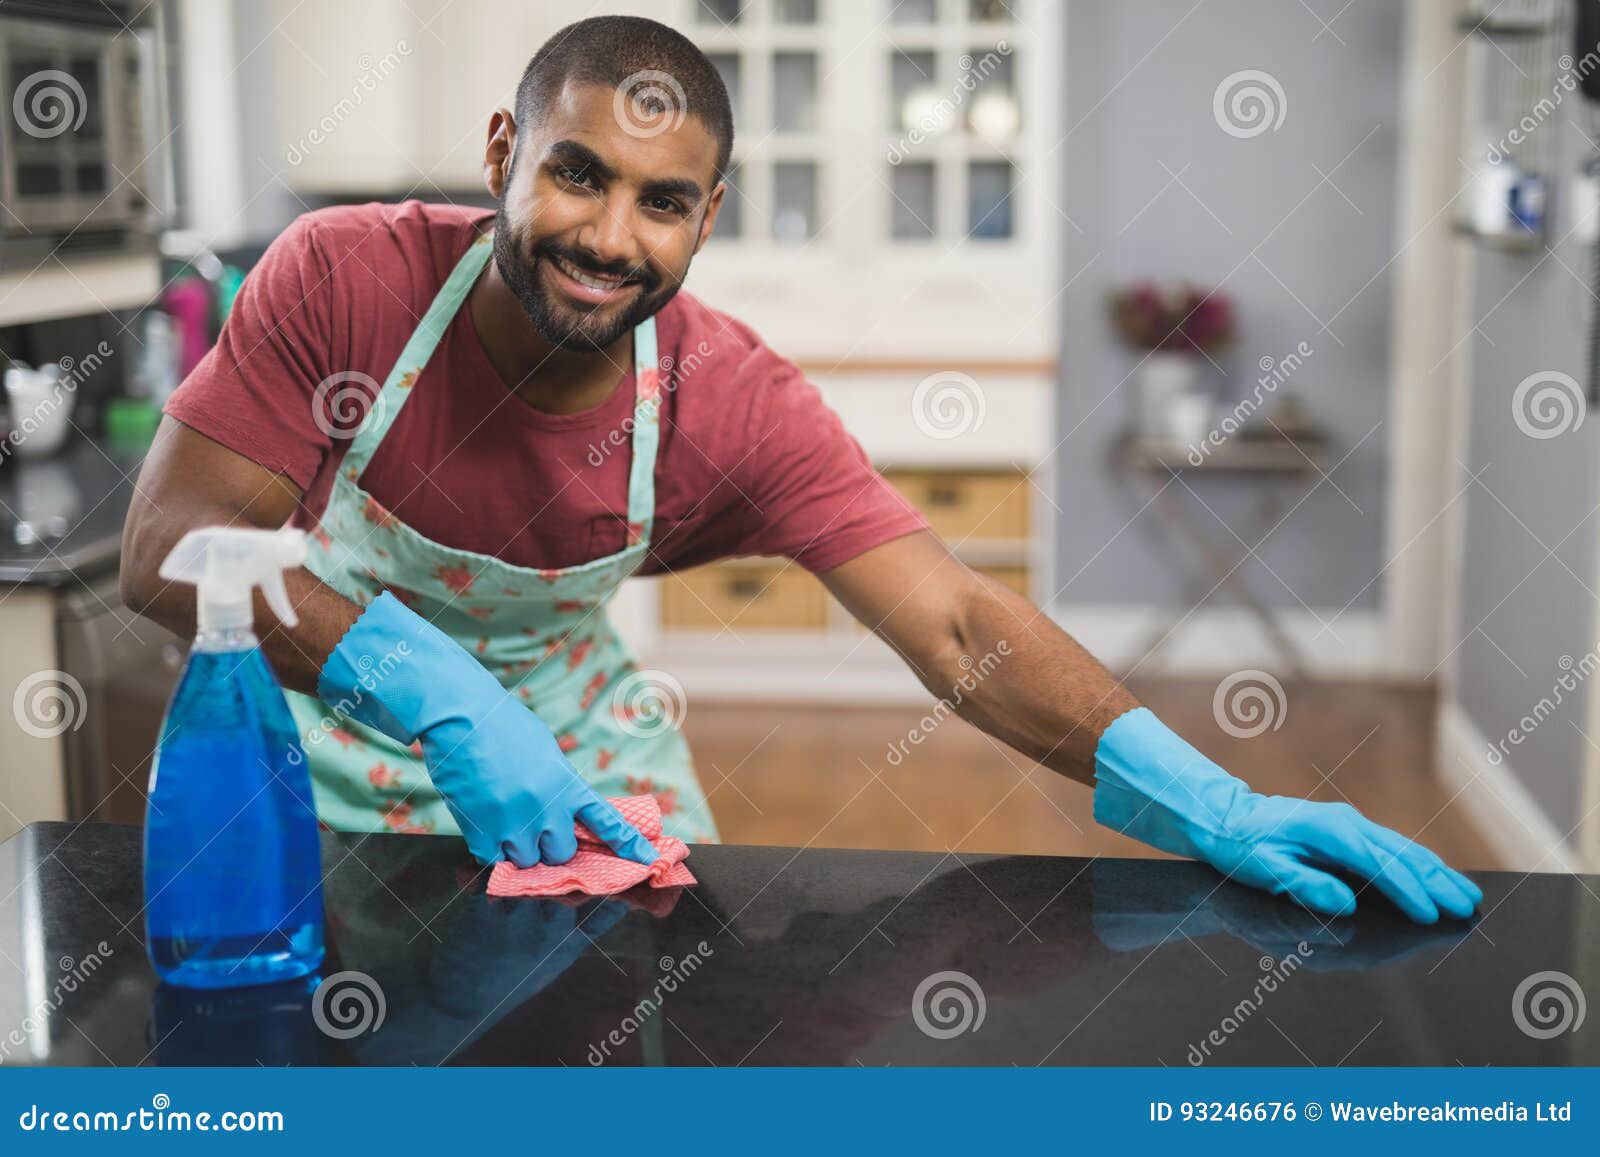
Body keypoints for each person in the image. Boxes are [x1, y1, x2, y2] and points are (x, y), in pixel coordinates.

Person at [121, 16, 1480, 924]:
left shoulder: (730, 401)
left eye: (661, 203)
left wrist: (1205, 792)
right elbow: (169, 541)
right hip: (313, 748)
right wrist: (440, 696)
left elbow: (954, 620)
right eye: (576, 175)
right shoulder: (346, 280)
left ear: (707, 217)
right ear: (502, 154)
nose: (608, 235)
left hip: (590, 767)